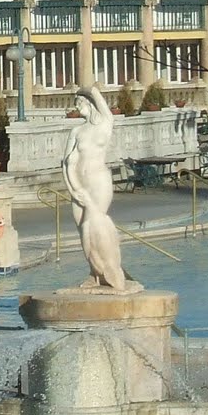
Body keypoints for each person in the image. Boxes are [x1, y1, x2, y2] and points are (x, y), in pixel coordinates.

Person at [62, 85, 127, 290]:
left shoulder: (105, 125)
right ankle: (94, 272)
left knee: (96, 224)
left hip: (98, 182)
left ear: (89, 104)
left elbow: (104, 109)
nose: (76, 106)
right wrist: (72, 189)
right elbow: (65, 162)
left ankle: (110, 268)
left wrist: (90, 90)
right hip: (78, 185)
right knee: (83, 229)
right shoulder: (77, 131)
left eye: (79, 102)